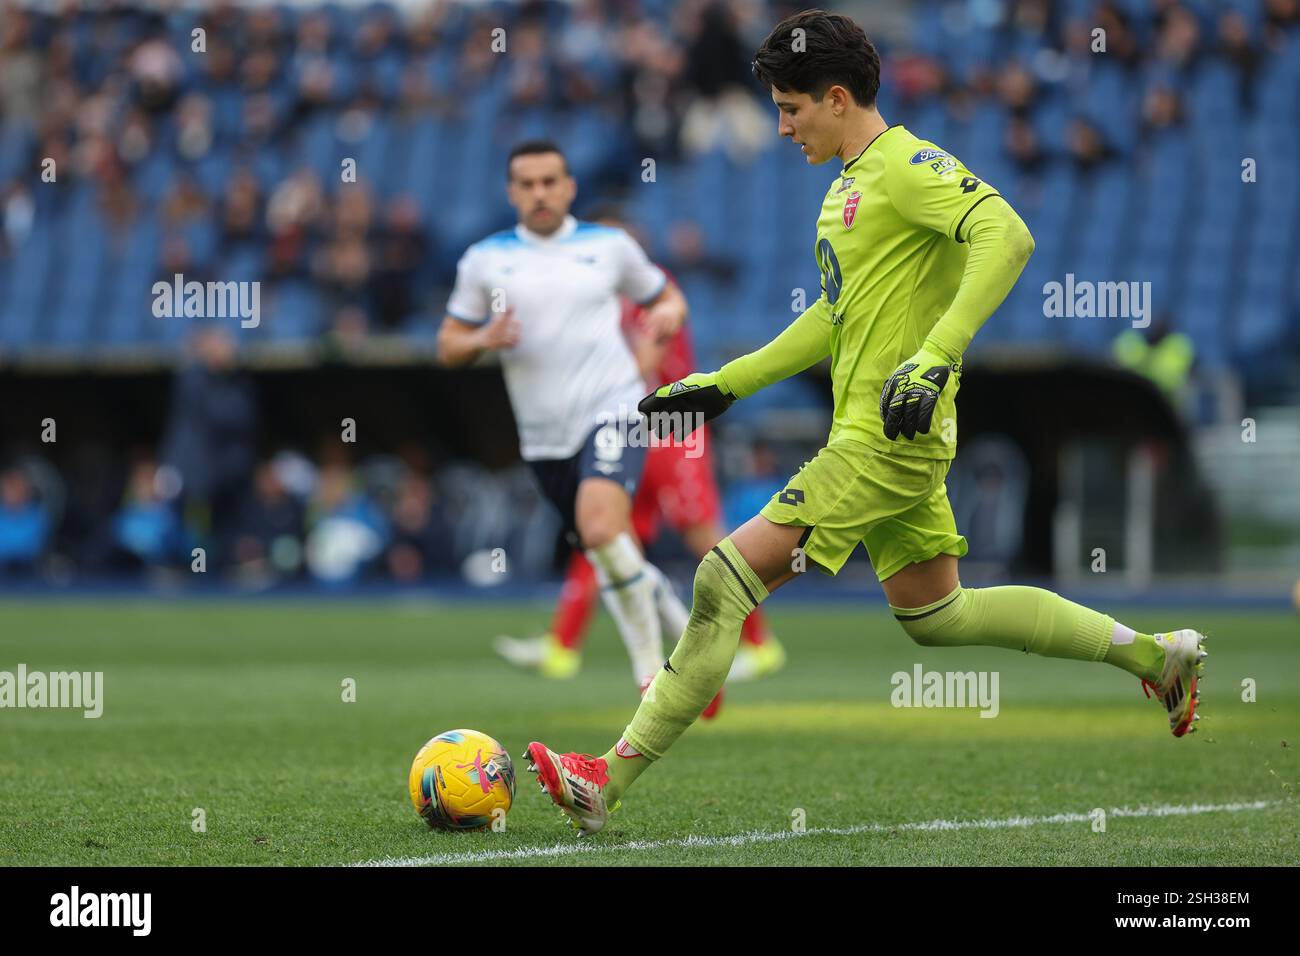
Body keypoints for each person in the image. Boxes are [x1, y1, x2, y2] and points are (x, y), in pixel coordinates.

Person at [524, 10, 1207, 837]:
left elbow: (1009, 234)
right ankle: (1152, 655)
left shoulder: (905, 166)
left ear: (837, 97)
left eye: (791, 109)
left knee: (720, 579)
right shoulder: (848, 185)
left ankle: (609, 779)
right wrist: (725, 384)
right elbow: (832, 318)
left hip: (884, 437)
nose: (781, 127)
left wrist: (938, 354)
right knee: (938, 616)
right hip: (884, 434)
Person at [436, 141, 698, 699]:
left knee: (603, 530)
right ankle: (673, 613)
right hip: (543, 438)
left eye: (550, 181)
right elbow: (448, 345)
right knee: (607, 551)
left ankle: (654, 675)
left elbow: (665, 297)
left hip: (616, 407)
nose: (539, 193)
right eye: (527, 184)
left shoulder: (609, 246)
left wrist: (668, 315)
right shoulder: (485, 260)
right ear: (511, 192)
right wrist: (484, 337)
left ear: (569, 186)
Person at [492, 209, 786, 689]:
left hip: (674, 424)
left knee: (701, 535)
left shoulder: (651, 288)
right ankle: (561, 646)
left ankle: (760, 643)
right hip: (632, 428)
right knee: (602, 530)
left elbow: (640, 363)